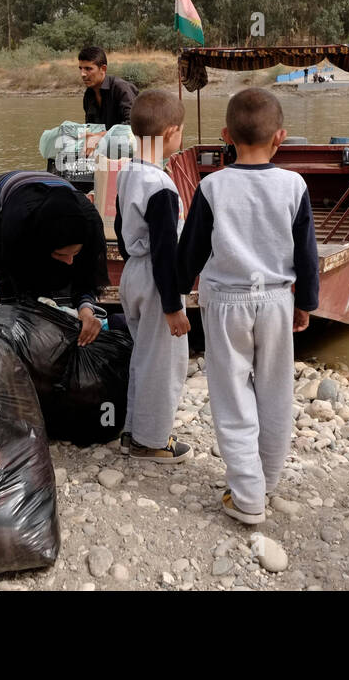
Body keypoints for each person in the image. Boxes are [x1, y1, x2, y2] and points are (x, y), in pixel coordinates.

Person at [177, 87, 319, 524]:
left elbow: (191, 253)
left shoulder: (212, 186)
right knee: (276, 391)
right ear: (281, 137)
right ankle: (268, 480)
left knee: (232, 395)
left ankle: (247, 493)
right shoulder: (294, 185)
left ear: (225, 136)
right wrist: (306, 303)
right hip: (276, 300)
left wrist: (175, 300)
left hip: (225, 304)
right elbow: (306, 254)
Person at [113, 90, 191, 462]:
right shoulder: (162, 186)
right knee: (163, 363)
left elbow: (117, 225)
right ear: (173, 132)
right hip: (156, 280)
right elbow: (164, 251)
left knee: (142, 355)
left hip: (132, 273)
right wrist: (174, 305)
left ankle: (134, 431)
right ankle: (152, 440)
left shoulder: (128, 172)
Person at [0, 170, 108, 345]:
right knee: (11, 289)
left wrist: (86, 310)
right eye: (61, 254)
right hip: (0, 202)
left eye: (75, 253)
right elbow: (18, 278)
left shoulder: (90, 225)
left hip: (58, 199)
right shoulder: (17, 230)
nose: (70, 261)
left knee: (68, 282)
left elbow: (87, 277)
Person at [79, 45, 137, 130]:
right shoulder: (88, 94)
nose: (82, 74)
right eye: (81, 68)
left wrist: (102, 135)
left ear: (103, 69)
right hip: (105, 142)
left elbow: (133, 124)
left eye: (88, 69)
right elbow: (90, 127)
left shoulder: (121, 89)